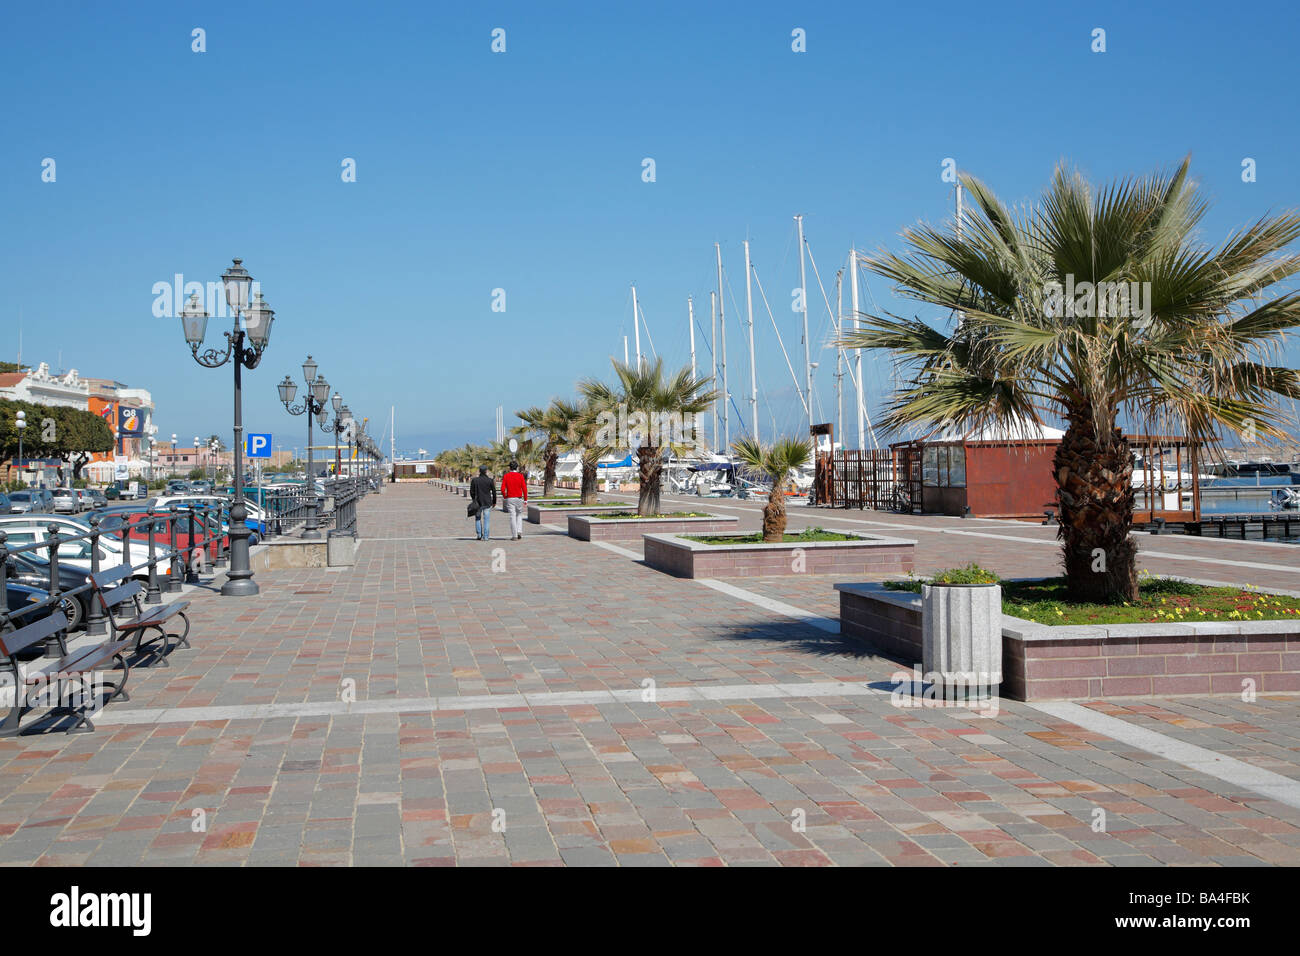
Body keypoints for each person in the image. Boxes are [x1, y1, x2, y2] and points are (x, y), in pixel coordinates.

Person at [501, 460, 528, 540]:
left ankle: (514, 535)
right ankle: (519, 531)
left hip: (510, 498)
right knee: (519, 515)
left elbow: (502, 488)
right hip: (519, 498)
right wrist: (525, 499)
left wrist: (505, 496)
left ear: (510, 467)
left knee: (512, 516)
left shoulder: (506, 476)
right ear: (517, 467)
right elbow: (524, 488)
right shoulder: (520, 476)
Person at [469, 465, 496, 540]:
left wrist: (474, 499)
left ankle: (479, 534)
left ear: (479, 471)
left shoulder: (475, 480)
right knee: (486, 520)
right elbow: (494, 492)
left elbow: (471, 491)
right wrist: (494, 502)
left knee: (477, 518)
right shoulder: (490, 480)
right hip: (487, 502)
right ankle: (486, 536)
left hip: (478, 502)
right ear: (486, 471)